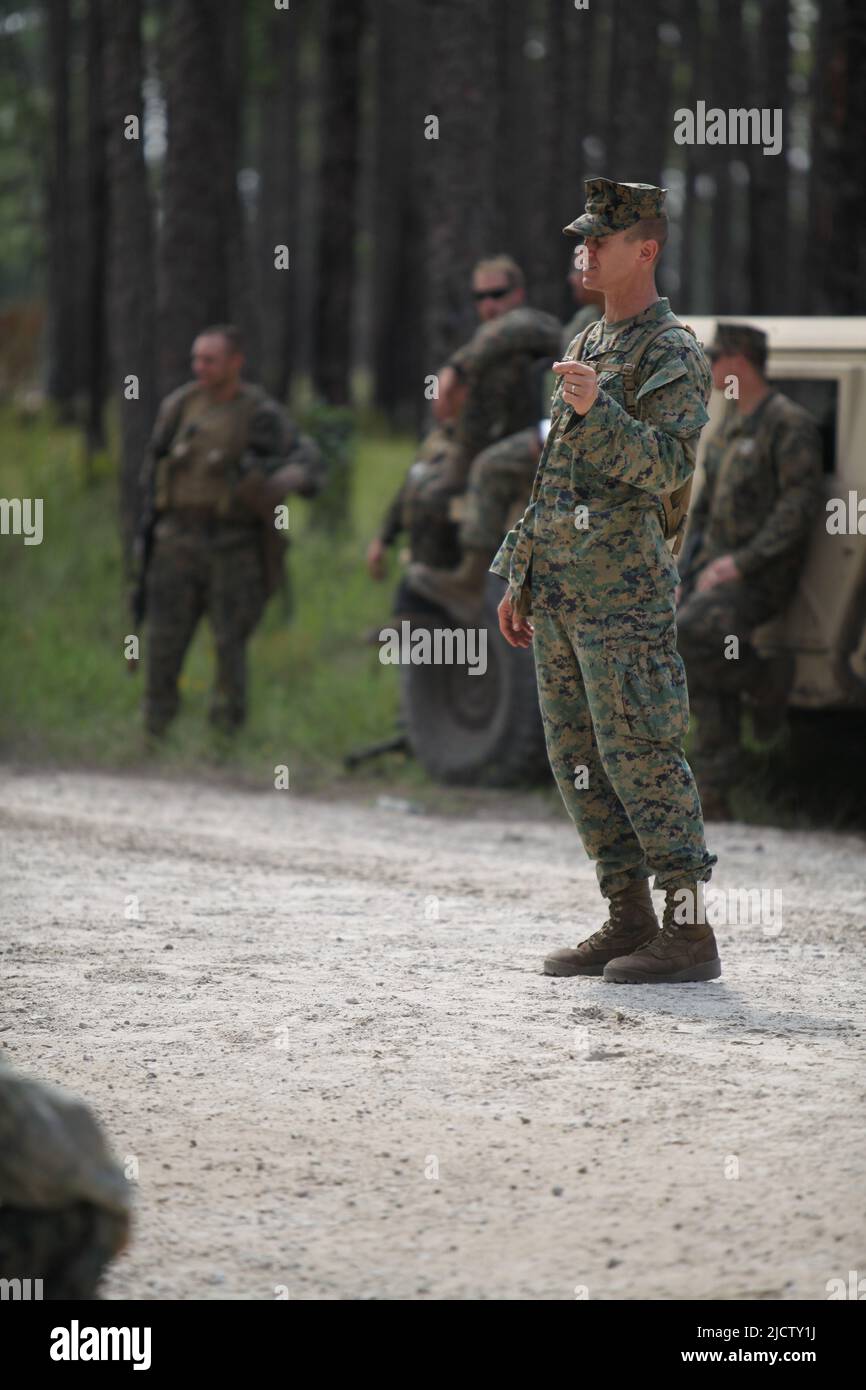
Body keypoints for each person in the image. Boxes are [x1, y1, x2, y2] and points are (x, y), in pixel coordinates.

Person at [493, 177, 720, 985]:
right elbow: (556, 473)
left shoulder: (673, 351)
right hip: (560, 592)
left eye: (601, 240)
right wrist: (521, 571)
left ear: (645, 249)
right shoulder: (588, 341)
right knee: (578, 760)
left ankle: (689, 936)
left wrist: (599, 415)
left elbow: (666, 468)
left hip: (623, 599)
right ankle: (629, 919)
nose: (584, 252)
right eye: (581, 239)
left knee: (643, 756)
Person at [136, 324, 323, 736]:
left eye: (210, 359)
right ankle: (155, 730)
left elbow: (309, 462)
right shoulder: (179, 406)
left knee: (229, 644)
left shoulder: (258, 413)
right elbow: (153, 473)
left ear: (235, 362)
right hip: (175, 542)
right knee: (164, 641)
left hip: (231, 546)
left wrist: (278, 484)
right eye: (196, 359)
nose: (199, 367)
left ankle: (225, 736)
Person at [675, 323, 823, 819]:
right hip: (717, 574)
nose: (711, 367)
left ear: (739, 359)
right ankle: (713, 791)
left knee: (691, 635)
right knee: (699, 659)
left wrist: (742, 563)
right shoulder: (729, 427)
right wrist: (686, 574)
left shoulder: (787, 424)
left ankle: (764, 680)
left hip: (763, 575)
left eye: (715, 356)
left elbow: (796, 510)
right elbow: (706, 512)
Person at [400, 256, 561, 620]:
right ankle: (422, 614)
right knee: (428, 495)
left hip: (537, 443)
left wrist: (457, 369)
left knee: (499, 366)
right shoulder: (485, 343)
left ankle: (469, 584)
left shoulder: (533, 324)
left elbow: (512, 329)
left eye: (498, 294)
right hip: (490, 445)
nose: (488, 304)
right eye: (480, 296)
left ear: (518, 294)